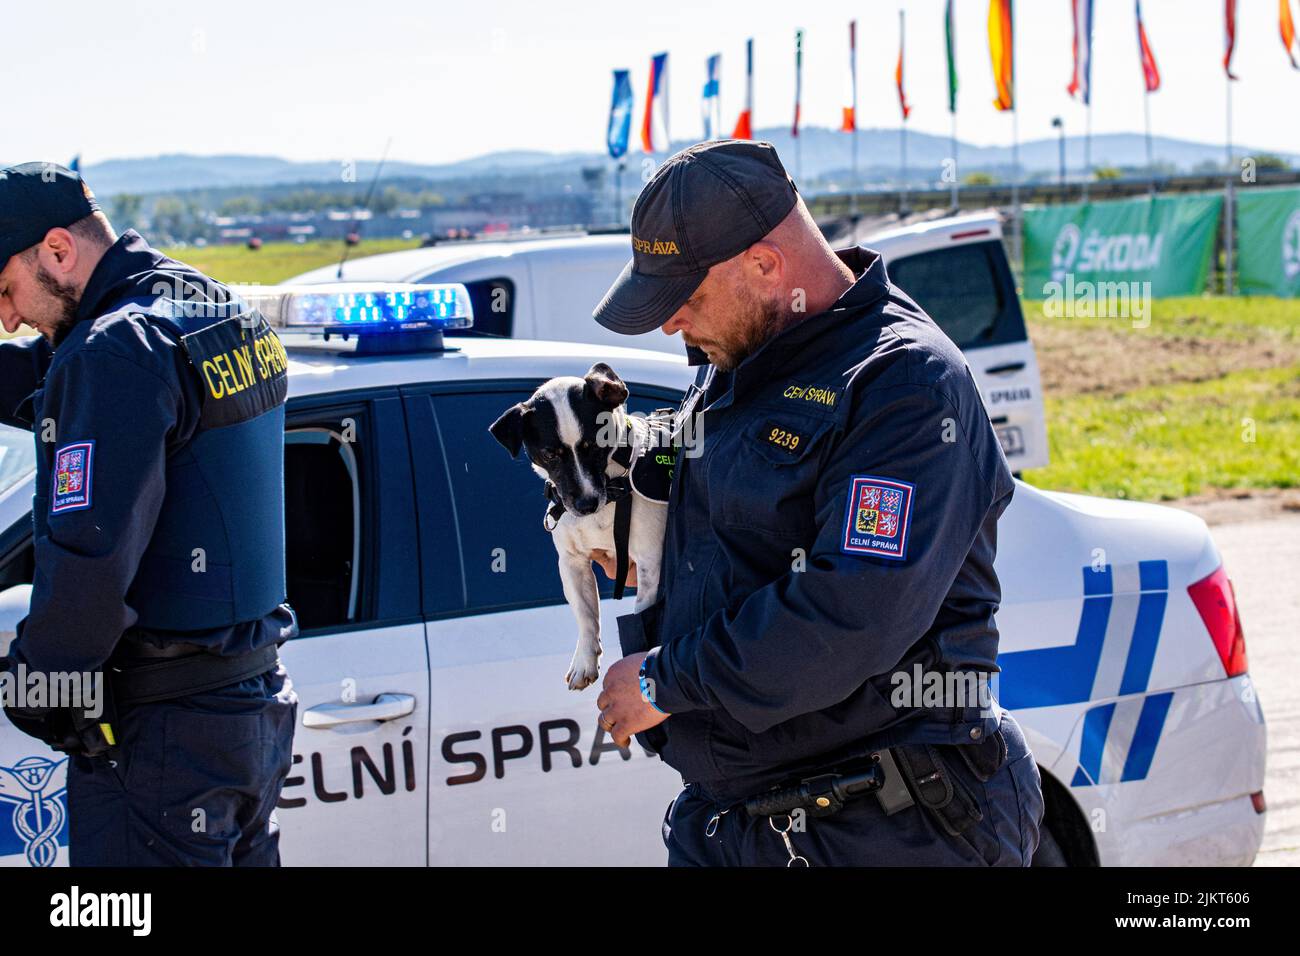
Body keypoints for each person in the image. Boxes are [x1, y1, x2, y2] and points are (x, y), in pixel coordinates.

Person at [589, 140, 1045, 866]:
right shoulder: (737, 360)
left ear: (766, 264)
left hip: (886, 827)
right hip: (739, 825)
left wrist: (663, 679)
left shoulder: (904, 385)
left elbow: (853, 610)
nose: (671, 323)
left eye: (686, 297)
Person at [0, 162, 297, 866]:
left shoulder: (113, 353)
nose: (8, 319)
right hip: (250, 709)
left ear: (58, 251)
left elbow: (89, 557)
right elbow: (55, 381)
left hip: (163, 734)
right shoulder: (212, 308)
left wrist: (36, 680)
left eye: (5, 291)